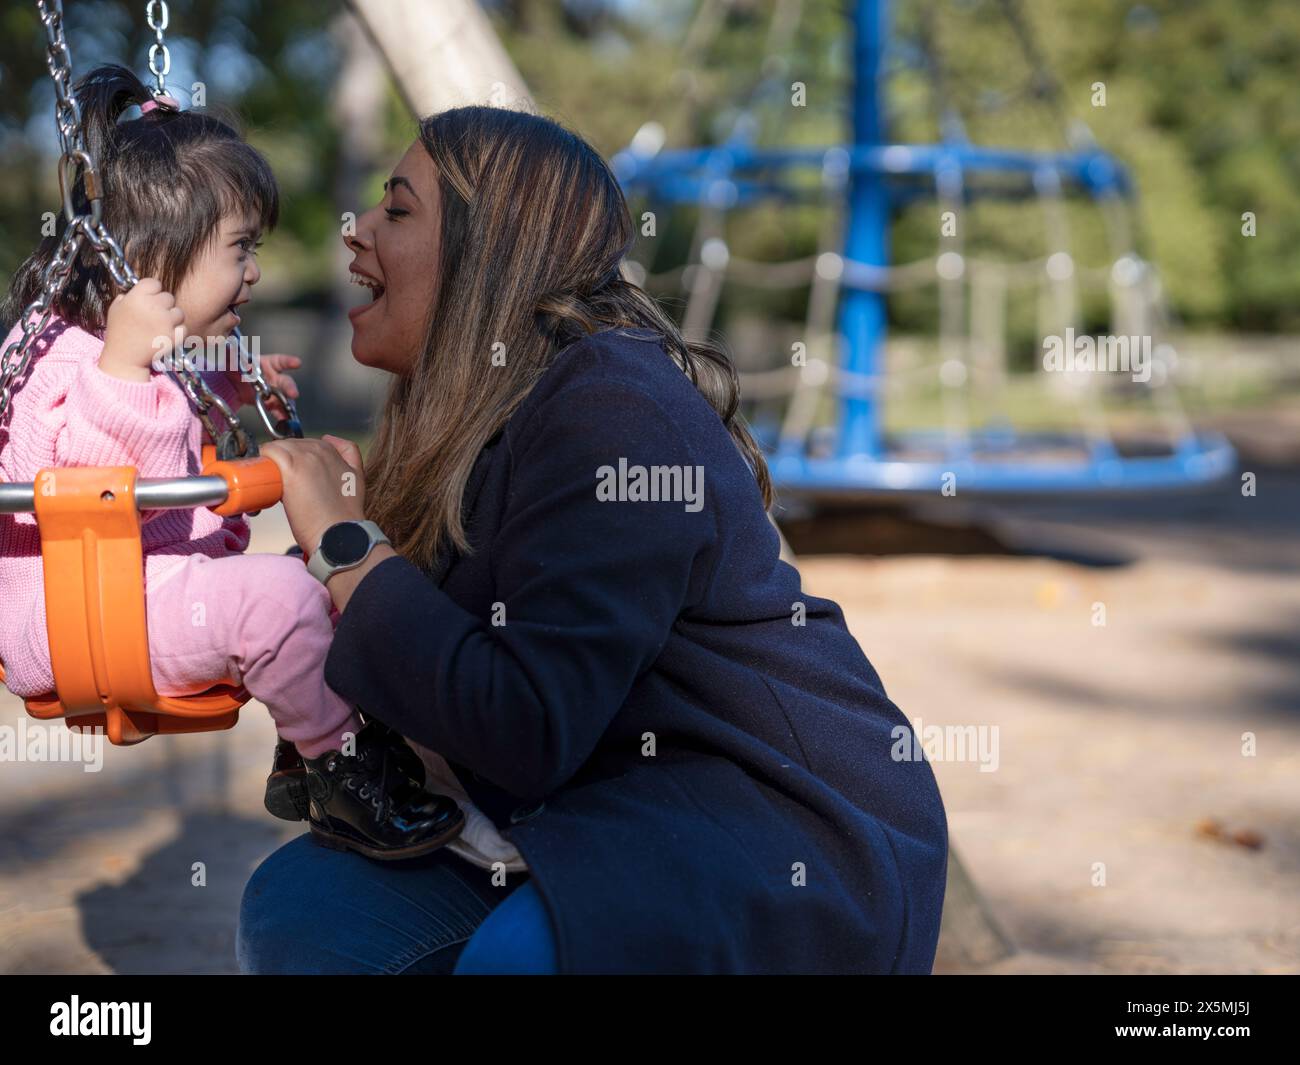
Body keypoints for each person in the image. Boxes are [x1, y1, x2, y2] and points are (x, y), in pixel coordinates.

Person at [240, 105, 949, 975]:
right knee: (306, 912)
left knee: (523, 958)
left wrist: (348, 547)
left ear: (487, 247)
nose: (356, 232)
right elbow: (419, 668)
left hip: (776, 826)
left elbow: (527, 723)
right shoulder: (467, 419)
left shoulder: (613, 411)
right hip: (607, 810)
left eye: (397, 208)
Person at [0, 65, 462, 860]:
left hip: (136, 594)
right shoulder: (74, 364)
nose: (253, 271)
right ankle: (349, 780)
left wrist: (226, 376)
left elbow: (167, 395)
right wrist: (124, 366)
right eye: (240, 248)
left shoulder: (119, 346)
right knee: (279, 596)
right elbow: (93, 473)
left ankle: (304, 751)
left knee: (320, 576)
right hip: (82, 617)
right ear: (150, 259)